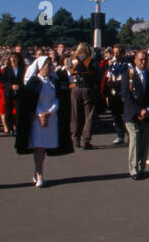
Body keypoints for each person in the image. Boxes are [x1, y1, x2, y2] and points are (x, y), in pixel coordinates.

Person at [15, 54, 73, 186]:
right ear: (40, 67)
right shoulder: (33, 82)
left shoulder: (53, 81)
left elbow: (57, 99)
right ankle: (39, 174)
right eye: (47, 64)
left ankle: (37, 171)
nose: (49, 66)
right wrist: (40, 114)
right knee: (39, 147)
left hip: (51, 118)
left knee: (44, 148)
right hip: (37, 119)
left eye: (50, 64)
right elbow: (28, 103)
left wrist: (50, 112)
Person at [120, 50, 149, 179]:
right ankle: (133, 169)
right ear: (135, 60)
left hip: (147, 113)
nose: (143, 62)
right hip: (132, 113)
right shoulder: (128, 75)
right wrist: (138, 110)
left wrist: (148, 109)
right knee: (135, 140)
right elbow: (125, 95)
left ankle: (141, 168)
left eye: (145, 59)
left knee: (144, 142)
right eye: (140, 59)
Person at [69, 43, 99, 150]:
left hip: (76, 87)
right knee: (89, 115)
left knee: (75, 114)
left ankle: (75, 138)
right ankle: (86, 140)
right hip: (88, 88)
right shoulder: (92, 60)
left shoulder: (72, 60)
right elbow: (96, 74)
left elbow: (70, 72)